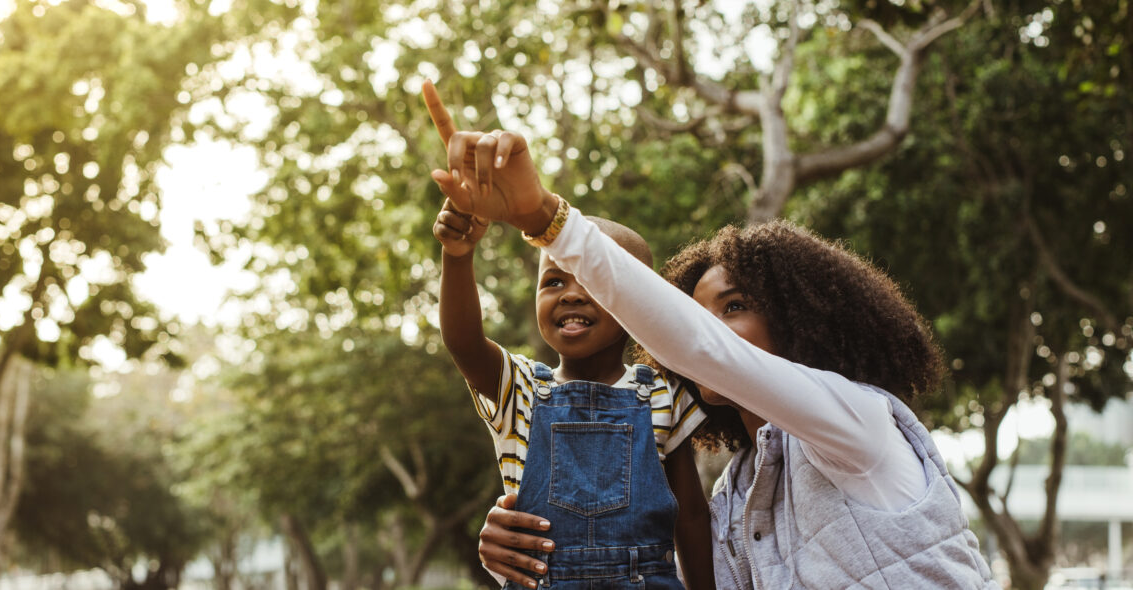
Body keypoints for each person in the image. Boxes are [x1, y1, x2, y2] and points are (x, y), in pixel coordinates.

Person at [422, 80, 1000, 589]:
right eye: (696, 313)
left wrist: (544, 217)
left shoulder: (856, 422)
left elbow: (698, 346)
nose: (707, 331)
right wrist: (512, 557)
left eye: (735, 305)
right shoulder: (736, 497)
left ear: (799, 317)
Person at [426, 83, 716, 590]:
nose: (571, 295)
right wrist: (458, 256)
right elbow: (463, 342)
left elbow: (690, 516)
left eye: (594, 282)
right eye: (553, 281)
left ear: (637, 304)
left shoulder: (663, 393)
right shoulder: (518, 390)